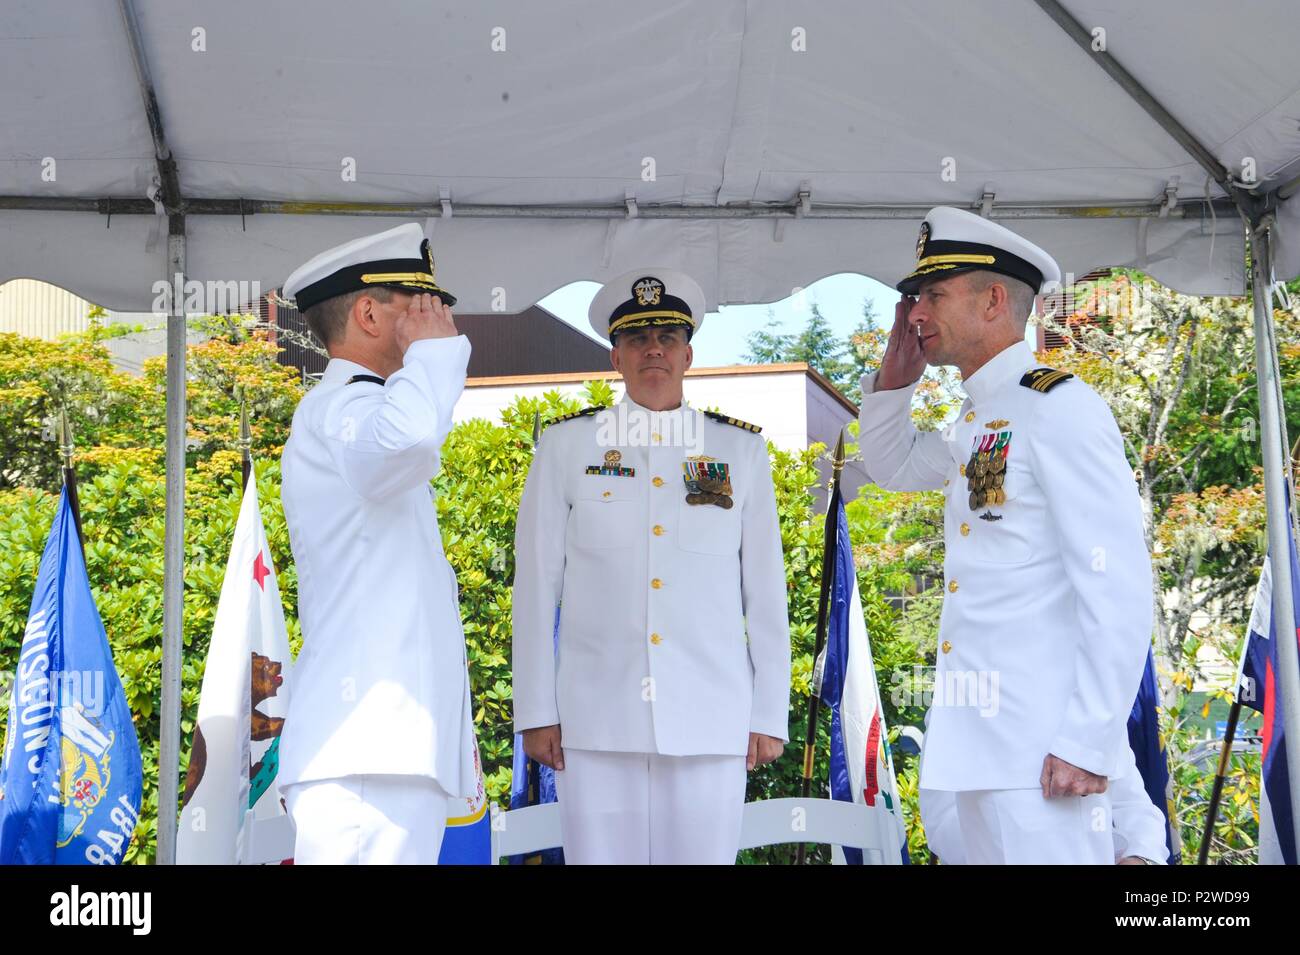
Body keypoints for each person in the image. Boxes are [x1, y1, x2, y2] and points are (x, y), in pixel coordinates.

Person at [858, 207, 1153, 864]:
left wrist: (1087, 739)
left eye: (933, 295)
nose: (915, 315)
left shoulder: (1058, 406)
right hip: (976, 754)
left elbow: (1121, 587)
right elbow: (893, 465)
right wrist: (893, 388)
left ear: (994, 299)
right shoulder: (979, 417)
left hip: (1043, 758)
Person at [511, 269, 791, 864]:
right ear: (616, 355)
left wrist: (769, 710)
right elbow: (536, 586)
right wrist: (536, 710)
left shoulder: (739, 451)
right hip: (596, 720)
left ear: (688, 353)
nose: (654, 349)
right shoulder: (566, 447)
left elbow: (764, 591)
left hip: (710, 719)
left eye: (667, 336)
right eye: (638, 338)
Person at [275, 223, 477, 864]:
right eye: (418, 304)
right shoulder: (340, 409)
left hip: (386, 748)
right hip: (365, 747)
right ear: (367, 313)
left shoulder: (361, 411)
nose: (438, 318)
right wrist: (437, 357)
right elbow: (409, 442)